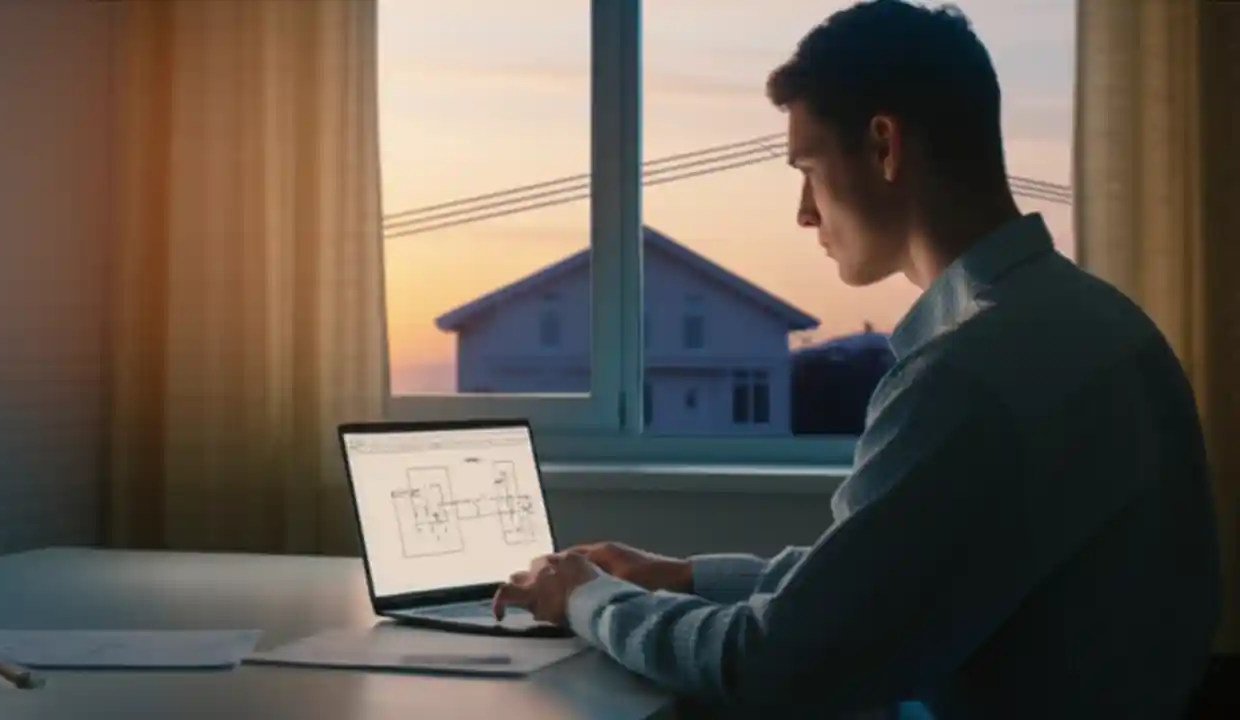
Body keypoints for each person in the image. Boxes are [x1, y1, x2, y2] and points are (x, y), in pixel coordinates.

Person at [491, 1, 1222, 717]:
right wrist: (681, 577)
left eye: (807, 168)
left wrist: (585, 597)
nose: (804, 213)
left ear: (883, 146)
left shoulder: (973, 378)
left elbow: (773, 664)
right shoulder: (1096, 322)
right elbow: (882, 584)